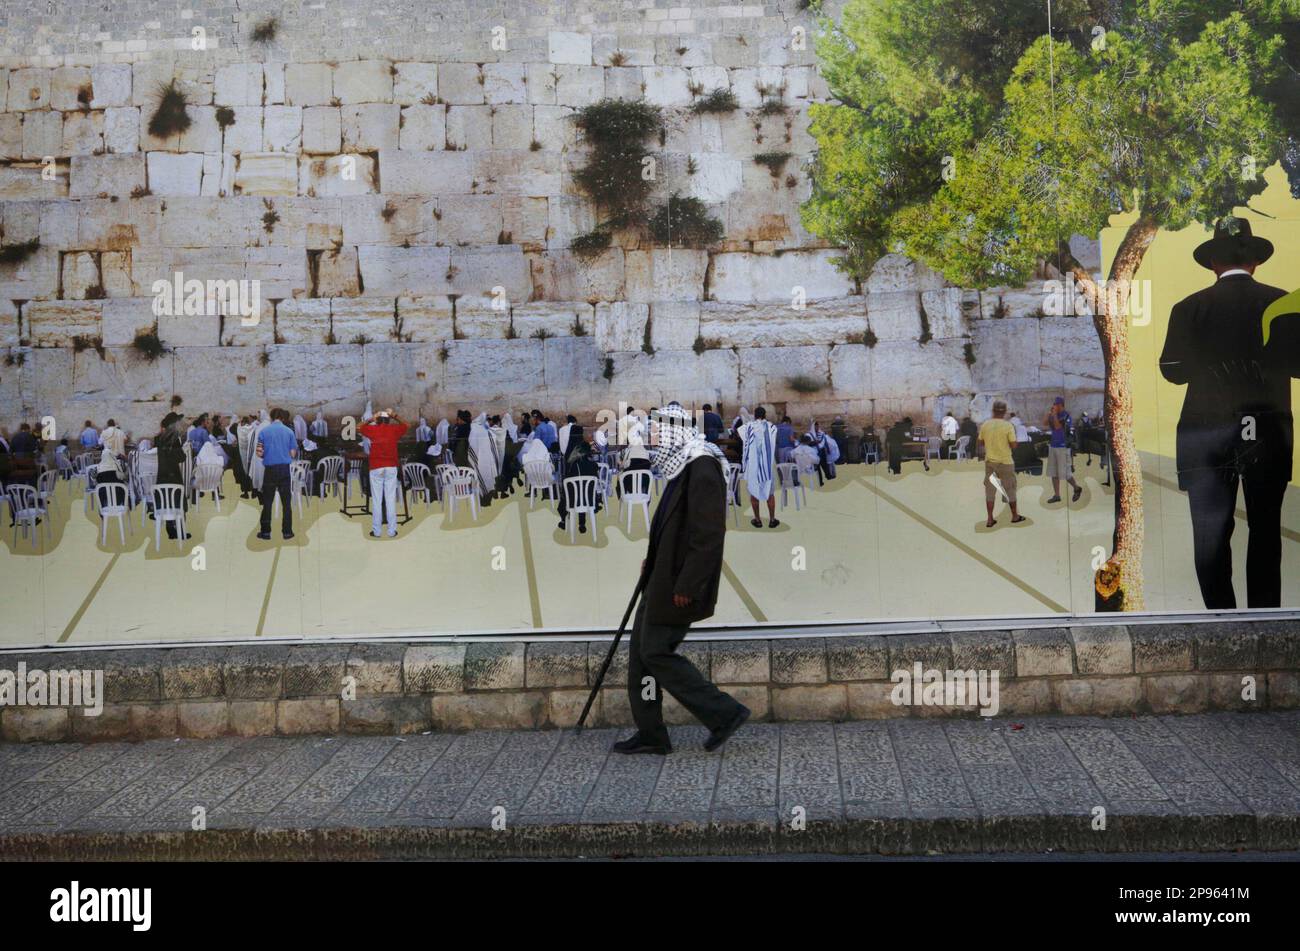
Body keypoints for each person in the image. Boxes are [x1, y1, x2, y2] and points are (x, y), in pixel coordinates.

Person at [1159, 218, 1291, 609]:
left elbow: (1173, 371)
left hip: (1206, 432)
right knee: (1265, 529)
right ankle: (1263, 619)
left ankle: (1221, 617)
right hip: (1267, 429)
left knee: (1211, 532)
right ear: (1255, 262)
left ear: (1213, 263)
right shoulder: (1281, 303)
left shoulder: (1189, 308)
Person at [613, 402, 750, 757]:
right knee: (641, 657)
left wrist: (688, 586)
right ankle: (651, 732)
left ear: (675, 430)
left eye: (659, 431)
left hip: (678, 585)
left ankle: (724, 712)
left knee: (656, 652)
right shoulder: (682, 464)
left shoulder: (702, 466)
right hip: (661, 576)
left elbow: (707, 536)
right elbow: (674, 524)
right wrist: (653, 558)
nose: (654, 438)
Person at [359, 408, 408, 538]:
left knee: (376, 500)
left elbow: (359, 427)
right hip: (391, 467)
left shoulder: (373, 429)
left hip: (376, 467)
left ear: (378, 420)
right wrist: (395, 415)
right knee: (390, 499)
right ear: (389, 419)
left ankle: (377, 531)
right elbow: (406, 425)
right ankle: (392, 531)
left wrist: (371, 419)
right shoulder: (394, 429)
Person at [978, 400, 1024, 528]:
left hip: (990, 463)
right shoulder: (1008, 426)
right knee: (1010, 489)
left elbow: (980, 442)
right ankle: (1014, 516)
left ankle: (989, 519)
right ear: (1004, 412)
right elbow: (1014, 445)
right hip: (1006, 463)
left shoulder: (985, 425)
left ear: (993, 410)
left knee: (990, 491)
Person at [255, 408, 297, 541]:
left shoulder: (264, 431)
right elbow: (293, 453)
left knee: (267, 502)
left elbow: (259, 452)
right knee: (286, 502)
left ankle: (265, 532)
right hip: (284, 469)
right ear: (283, 418)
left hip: (270, 470)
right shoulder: (289, 431)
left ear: (272, 417)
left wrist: (269, 456)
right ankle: (287, 532)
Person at [739, 406, 779, 528]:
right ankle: (772, 520)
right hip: (767, 466)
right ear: (765, 415)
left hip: (753, 466)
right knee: (770, 494)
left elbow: (739, 431)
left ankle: (758, 520)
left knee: (754, 492)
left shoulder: (748, 427)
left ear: (754, 415)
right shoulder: (772, 427)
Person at [557, 428, 601, 533]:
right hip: (589, 501)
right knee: (584, 491)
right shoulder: (593, 465)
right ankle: (582, 523)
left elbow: (566, 483)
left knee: (570, 492)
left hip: (572, 501)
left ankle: (563, 520)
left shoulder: (571, 464)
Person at [154, 412, 191, 540]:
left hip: (162, 476)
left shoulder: (159, 438)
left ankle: (170, 532)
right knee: (179, 505)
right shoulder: (174, 438)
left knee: (166, 504)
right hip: (173, 476)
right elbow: (181, 457)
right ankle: (181, 532)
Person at [1043, 397, 1083, 504]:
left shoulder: (1066, 416)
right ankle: (1057, 495)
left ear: (1061, 405)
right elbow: (1045, 423)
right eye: (1054, 404)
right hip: (1053, 446)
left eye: (1056, 404)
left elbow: (1057, 427)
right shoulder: (1053, 414)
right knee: (1053, 472)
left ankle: (1076, 487)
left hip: (1063, 447)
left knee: (1065, 473)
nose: (1054, 406)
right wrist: (1048, 413)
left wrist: (1055, 415)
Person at [96, 420, 127, 484]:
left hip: (109, 458)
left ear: (108, 424)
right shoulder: (120, 432)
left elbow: (99, 443)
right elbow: (125, 440)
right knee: (122, 474)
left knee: (109, 473)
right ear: (114, 424)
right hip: (120, 457)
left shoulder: (104, 432)